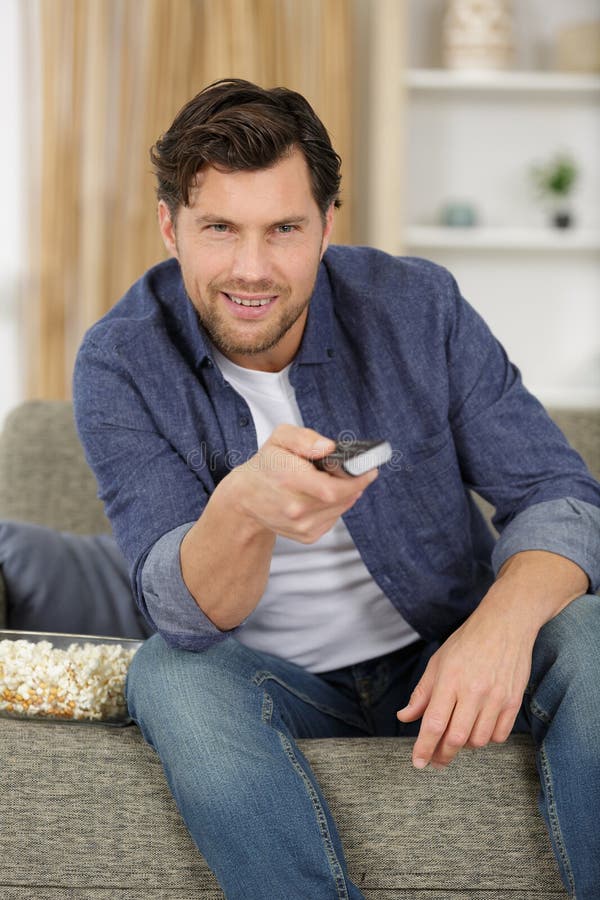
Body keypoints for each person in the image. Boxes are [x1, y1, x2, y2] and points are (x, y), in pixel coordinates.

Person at [73, 78, 600, 899]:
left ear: (327, 225)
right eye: (220, 229)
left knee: (593, 630)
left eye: (284, 228)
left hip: (439, 648)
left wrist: (500, 626)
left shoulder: (417, 306)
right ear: (172, 228)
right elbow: (180, 610)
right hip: (275, 683)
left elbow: (560, 495)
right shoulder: (120, 363)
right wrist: (243, 505)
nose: (252, 270)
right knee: (167, 674)